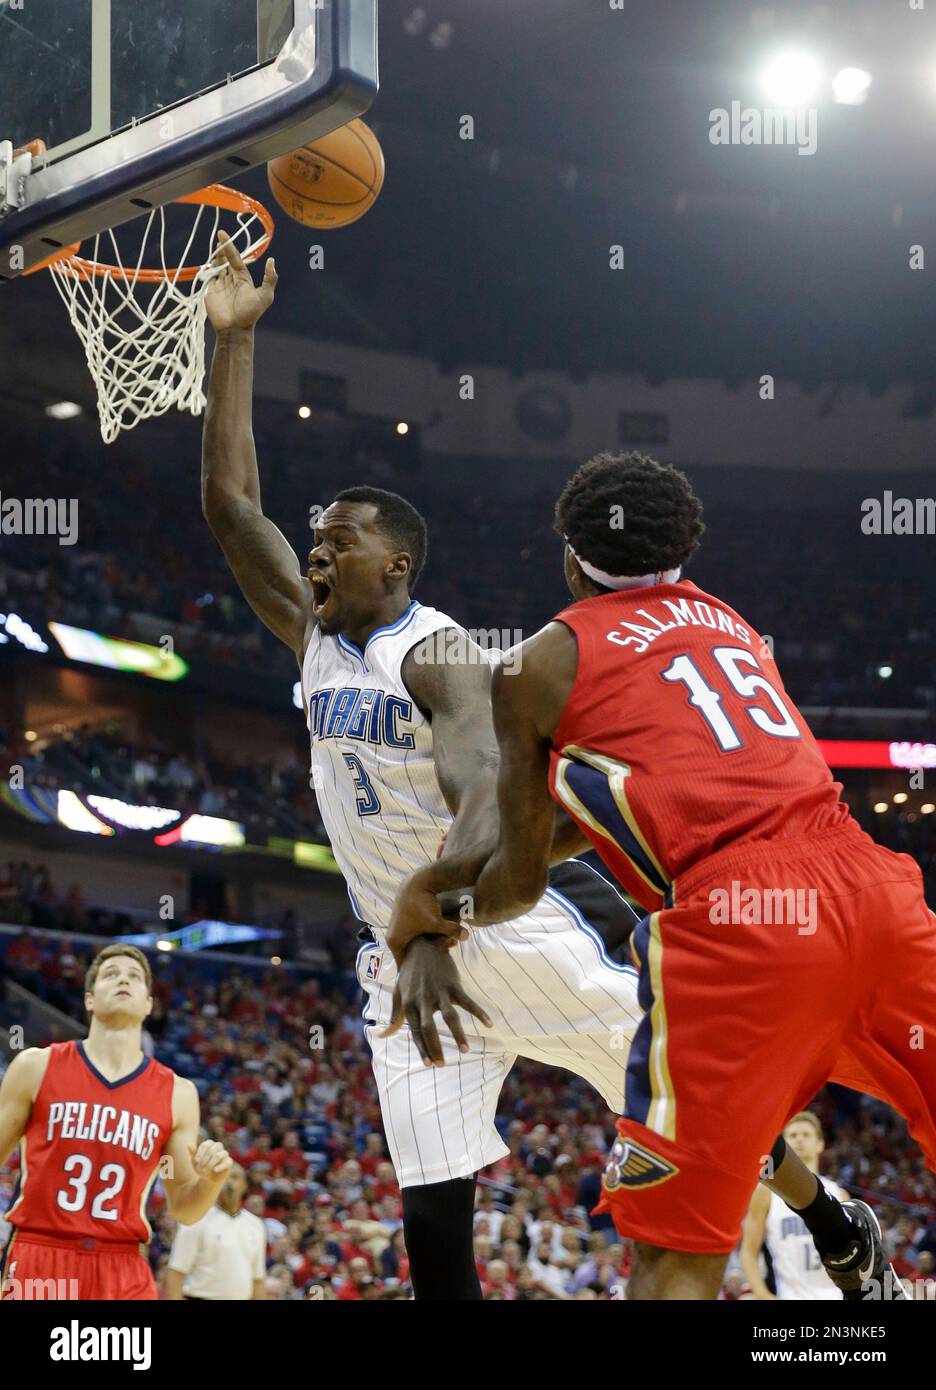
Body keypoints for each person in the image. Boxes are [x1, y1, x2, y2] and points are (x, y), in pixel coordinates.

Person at [198, 239, 847, 1301]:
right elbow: (233, 509)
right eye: (315, 538)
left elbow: (477, 786)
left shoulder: (443, 651)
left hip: (500, 924)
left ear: (395, 565)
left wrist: (432, 922)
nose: (316, 548)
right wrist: (236, 342)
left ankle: (825, 1208)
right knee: (431, 1207)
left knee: (695, 1099)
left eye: (339, 540)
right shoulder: (314, 637)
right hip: (402, 956)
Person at [388, 450, 929, 1300]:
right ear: (684, 551)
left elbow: (519, 883)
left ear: (570, 559)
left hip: (742, 928)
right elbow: (659, 799)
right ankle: (841, 1230)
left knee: (677, 1256)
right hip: (878, 893)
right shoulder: (731, 621)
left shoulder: (538, 664)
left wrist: (431, 908)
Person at [0, 944, 233, 1300]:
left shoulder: (177, 1094)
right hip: (43, 1255)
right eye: (111, 974)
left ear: (148, 1005)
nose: (123, 978)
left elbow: (183, 1206)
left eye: (134, 976)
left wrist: (212, 1181)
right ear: (90, 1000)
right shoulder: (36, 1066)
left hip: (123, 1266)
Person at [741, 1112, 847, 1300]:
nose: (799, 1139)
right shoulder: (766, 1193)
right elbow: (749, 1251)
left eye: (806, 1135)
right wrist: (761, 1293)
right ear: (784, 1147)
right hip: (790, 1296)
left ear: (820, 1144)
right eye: (792, 1135)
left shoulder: (838, 1193)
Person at [166, 1162, 267, 1300]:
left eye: (235, 1177)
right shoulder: (195, 1219)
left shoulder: (256, 1225)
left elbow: (258, 1279)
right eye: (223, 1177)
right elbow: (176, 1272)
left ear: (244, 1185)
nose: (229, 1182)